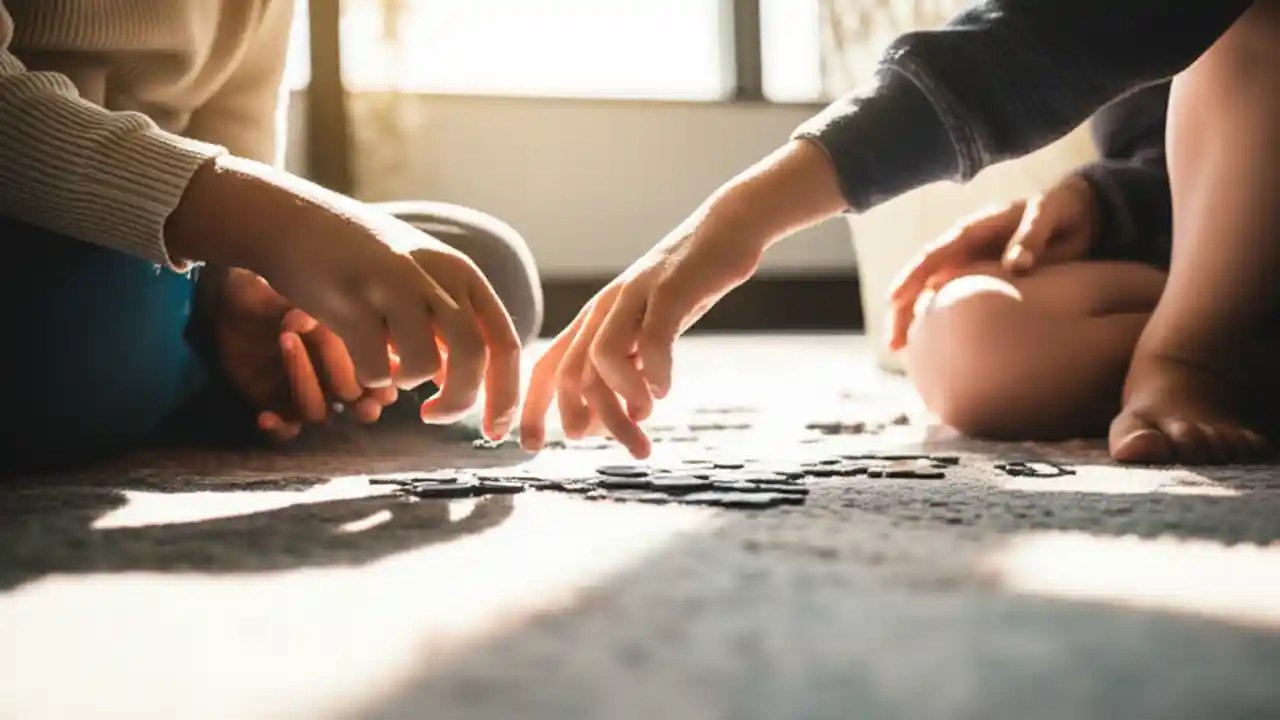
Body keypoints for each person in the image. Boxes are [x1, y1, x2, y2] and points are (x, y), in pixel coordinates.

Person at [519, 0, 1278, 466]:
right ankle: (1227, 354)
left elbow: (1034, 50)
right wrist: (1105, 201)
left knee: (1252, 23)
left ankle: (1193, 357)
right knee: (969, 337)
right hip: (1221, 249)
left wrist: (740, 218)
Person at [0, 0, 542, 471]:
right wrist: (285, 228)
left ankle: (197, 372)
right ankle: (168, 386)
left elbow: (240, 157)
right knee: (93, 319)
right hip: (34, 220)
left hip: (169, 246)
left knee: (485, 272)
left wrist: (238, 292)